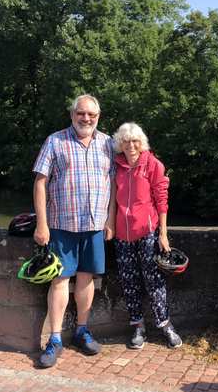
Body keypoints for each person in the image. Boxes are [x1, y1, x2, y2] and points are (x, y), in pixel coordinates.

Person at [32, 94, 116, 368]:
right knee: (59, 281)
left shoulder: (107, 144)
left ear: (98, 117)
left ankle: (81, 330)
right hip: (62, 224)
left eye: (91, 114)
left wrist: (110, 219)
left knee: (86, 279)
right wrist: (42, 224)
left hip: (94, 225)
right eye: (81, 113)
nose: (86, 118)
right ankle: (55, 339)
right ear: (72, 115)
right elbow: (40, 183)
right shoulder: (55, 141)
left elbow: (114, 185)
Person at [112, 122, 182, 349]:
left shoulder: (153, 165)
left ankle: (165, 325)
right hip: (123, 234)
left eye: (135, 141)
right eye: (126, 141)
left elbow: (162, 201)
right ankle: (138, 327)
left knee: (154, 281)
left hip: (148, 232)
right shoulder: (116, 167)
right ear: (120, 144)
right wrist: (109, 224)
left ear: (141, 143)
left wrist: (163, 233)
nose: (131, 145)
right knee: (129, 281)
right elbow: (112, 198)